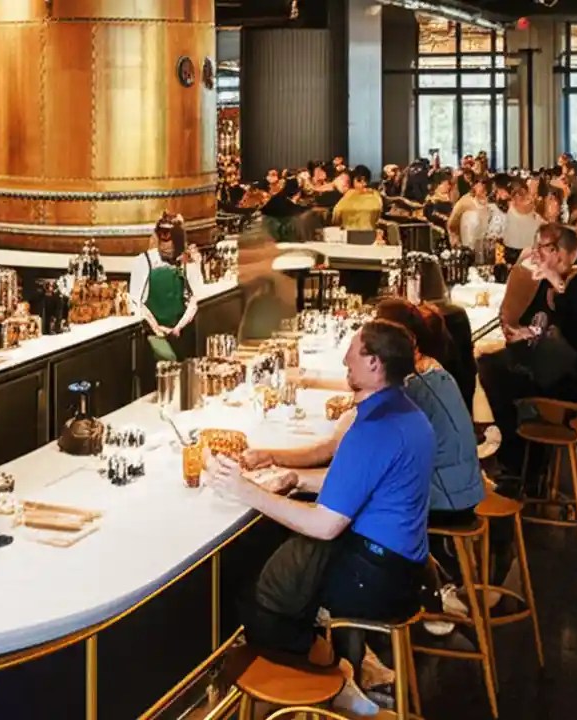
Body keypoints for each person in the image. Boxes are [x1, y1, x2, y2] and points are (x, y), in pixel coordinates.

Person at [206, 320, 433, 716]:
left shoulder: (373, 428)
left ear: (375, 364)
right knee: (281, 562)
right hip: (408, 568)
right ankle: (345, 663)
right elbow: (357, 480)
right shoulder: (406, 413)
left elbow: (325, 524)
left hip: (375, 577)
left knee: (255, 596)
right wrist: (294, 477)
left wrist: (246, 492)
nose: (345, 357)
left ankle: (331, 674)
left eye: (354, 351)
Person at [479, 224, 577, 475]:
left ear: (560, 253)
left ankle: (519, 463)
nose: (535, 253)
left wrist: (558, 286)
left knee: (493, 371)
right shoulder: (550, 281)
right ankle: (525, 456)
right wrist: (526, 332)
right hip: (556, 369)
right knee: (492, 363)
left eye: (542, 247)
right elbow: (543, 325)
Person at [131, 213, 200, 360]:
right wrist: (156, 328)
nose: (165, 246)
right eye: (162, 239)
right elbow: (136, 301)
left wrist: (178, 327)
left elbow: (195, 298)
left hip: (183, 334)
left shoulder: (188, 261)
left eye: (170, 240)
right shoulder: (144, 262)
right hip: (155, 338)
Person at [448, 172, 491, 263]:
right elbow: (452, 222)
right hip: (469, 244)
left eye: (484, 185)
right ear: (473, 186)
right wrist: (455, 239)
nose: (481, 188)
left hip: (487, 245)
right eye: (478, 184)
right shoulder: (465, 201)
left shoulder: (491, 201)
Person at [331, 165, 383, 231]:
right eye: (359, 180)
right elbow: (379, 215)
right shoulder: (375, 195)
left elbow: (336, 216)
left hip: (351, 234)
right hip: (368, 235)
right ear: (352, 180)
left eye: (366, 180)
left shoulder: (348, 195)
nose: (364, 184)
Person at [262, 177, 309, 243]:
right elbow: (291, 209)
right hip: (274, 223)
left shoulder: (283, 196)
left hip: (274, 222)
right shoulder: (281, 198)